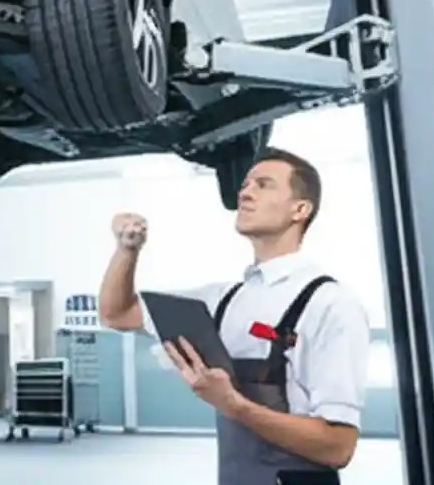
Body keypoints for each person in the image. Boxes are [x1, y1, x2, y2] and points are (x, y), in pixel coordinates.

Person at [98, 147, 370, 485]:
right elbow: (117, 314)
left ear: (300, 209)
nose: (245, 192)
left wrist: (235, 405)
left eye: (264, 184)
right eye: (245, 184)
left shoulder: (330, 304)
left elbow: (337, 447)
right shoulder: (223, 300)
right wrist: (126, 250)